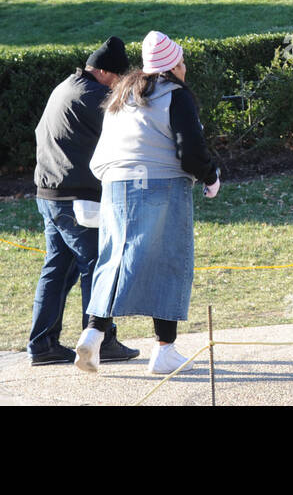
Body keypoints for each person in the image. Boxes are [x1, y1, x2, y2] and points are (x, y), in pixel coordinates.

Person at [74, 31, 222, 376]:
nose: (185, 68)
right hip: (160, 183)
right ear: (172, 66)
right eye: (182, 62)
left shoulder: (122, 94)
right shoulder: (176, 96)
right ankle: (164, 349)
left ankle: (93, 334)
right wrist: (211, 177)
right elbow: (190, 151)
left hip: (114, 184)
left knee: (114, 256)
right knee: (169, 260)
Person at [28, 36, 139, 365]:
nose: (119, 84)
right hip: (78, 199)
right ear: (104, 72)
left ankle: (43, 344)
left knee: (57, 269)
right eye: (118, 77)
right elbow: (127, 135)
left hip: (48, 193)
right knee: (98, 266)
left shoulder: (66, 86)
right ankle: (101, 340)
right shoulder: (96, 97)